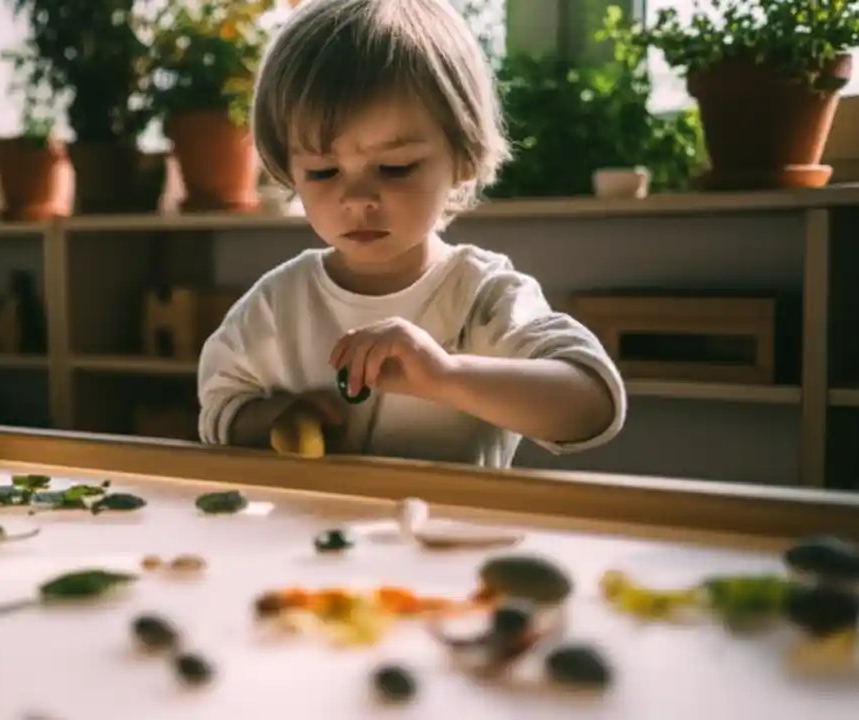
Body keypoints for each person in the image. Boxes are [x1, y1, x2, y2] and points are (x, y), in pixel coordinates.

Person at [196, 0, 626, 466]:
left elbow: (593, 405)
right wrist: (277, 417)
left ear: (462, 157)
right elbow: (220, 411)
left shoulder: (482, 296)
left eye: (395, 167)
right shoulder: (275, 305)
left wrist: (446, 375)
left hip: (448, 538)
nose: (357, 198)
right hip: (308, 537)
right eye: (322, 172)